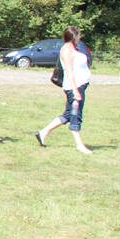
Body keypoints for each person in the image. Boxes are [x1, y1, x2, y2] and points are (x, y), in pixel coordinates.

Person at [35, 26, 92, 154]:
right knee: (75, 114)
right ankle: (79, 145)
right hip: (74, 87)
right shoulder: (66, 50)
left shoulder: (74, 48)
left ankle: (42, 132)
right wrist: (75, 90)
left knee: (68, 114)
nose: (80, 37)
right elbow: (69, 71)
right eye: (78, 35)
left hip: (80, 85)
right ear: (74, 36)